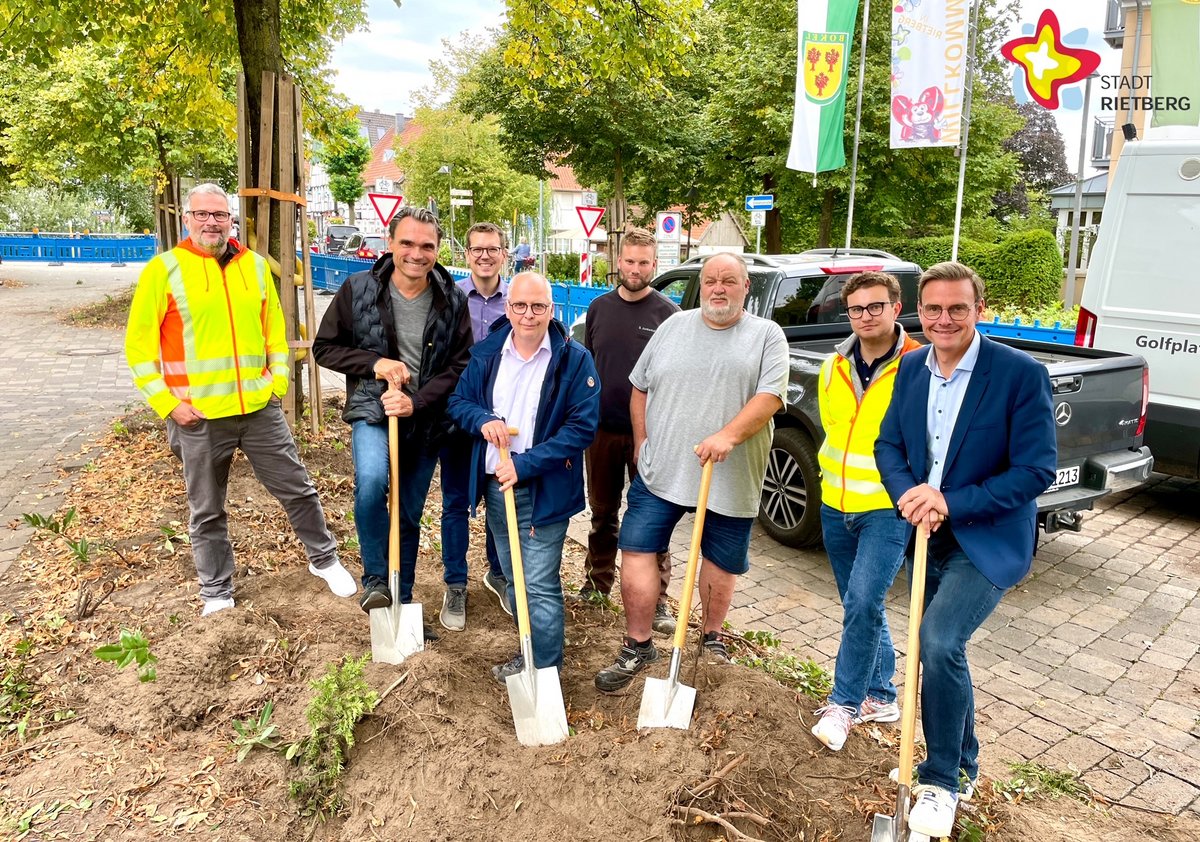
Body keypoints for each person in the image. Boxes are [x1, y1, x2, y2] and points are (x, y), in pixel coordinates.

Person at [875, 262, 1056, 837]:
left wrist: (949, 500)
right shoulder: (908, 368)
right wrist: (909, 496)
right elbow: (889, 446)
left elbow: (1034, 470)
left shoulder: (1018, 375)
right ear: (919, 313)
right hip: (924, 532)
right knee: (943, 654)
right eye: (933, 309)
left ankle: (941, 782)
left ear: (979, 309)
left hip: (987, 535)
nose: (944, 319)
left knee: (938, 640)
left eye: (957, 308)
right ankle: (967, 762)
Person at [125, 183, 355, 616]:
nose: (211, 222)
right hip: (199, 416)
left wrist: (278, 383)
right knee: (206, 509)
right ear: (187, 218)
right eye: (202, 214)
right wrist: (169, 406)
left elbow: (275, 328)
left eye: (219, 214)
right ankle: (216, 590)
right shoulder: (164, 270)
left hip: (258, 410)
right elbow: (138, 349)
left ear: (230, 218)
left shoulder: (252, 266)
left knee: (298, 488)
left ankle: (324, 560)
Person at [594, 253, 788, 693]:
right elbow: (639, 386)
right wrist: (642, 440)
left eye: (728, 281)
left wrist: (728, 436)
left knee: (720, 560)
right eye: (710, 281)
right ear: (701, 285)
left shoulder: (766, 336)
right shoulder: (673, 326)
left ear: (745, 288)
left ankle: (711, 639)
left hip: (731, 474)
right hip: (662, 470)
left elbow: (771, 396)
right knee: (637, 549)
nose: (718, 288)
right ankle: (638, 644)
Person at [313, 206, 473, 635]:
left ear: (438, 250)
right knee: (371, 483)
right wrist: (375, 363)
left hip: (425, 419)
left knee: (407, 514)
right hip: (372, 408)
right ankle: (375, 578)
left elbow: (459, 366)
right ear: (390, 243)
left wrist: (417, 402)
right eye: (407, 243)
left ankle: (400, 601)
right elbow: (324, 348)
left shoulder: (452, 299)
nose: (416, 254)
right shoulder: (358, 288)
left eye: (427, 246)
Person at [447, 272, 599, 683]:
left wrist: (526, 464)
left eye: (537, 307)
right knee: (514, 576)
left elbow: (581, 428)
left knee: (540, 583)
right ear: (508, 307)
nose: (528, 315)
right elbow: (458, 401)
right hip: (498, 486)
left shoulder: (573, 358)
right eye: (519, 306)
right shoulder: (488, 352)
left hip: (545, 487)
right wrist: (482, 420)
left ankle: (545, 673)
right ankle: (529, 650)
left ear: (552, 310)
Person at [810, 271, 922, 752]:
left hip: (886, 507)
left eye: (875, 307)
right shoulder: (833, 365)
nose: (864, 317)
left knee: (861, 603)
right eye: (856, 309)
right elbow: (833, 429)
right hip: (834, 504)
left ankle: (845, 703)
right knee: (861, 604)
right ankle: (882, 695)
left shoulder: (920, 365)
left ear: (897, 308)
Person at [579, 228, 678, 634]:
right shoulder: (599, 308)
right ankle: (597, 583)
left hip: (650, 436)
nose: (636, 269)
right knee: (602, 514)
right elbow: (587, 367)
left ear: (655, 265)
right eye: (630, 261)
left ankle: (658, 599)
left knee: (652, 518)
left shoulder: (668, 315)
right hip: (601, 432)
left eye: (644, 262)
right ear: (618, 262)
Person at [439, 222, 512, 625]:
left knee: (497, 498)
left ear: (503, 255)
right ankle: (455, 584)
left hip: (501, 422)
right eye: (477, 250)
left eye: (492, 249)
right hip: (457, 419)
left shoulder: (516, 302)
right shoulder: (450, 298)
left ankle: (498, 572)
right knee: (454, 503)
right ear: (466, 254)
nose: (485, 256)